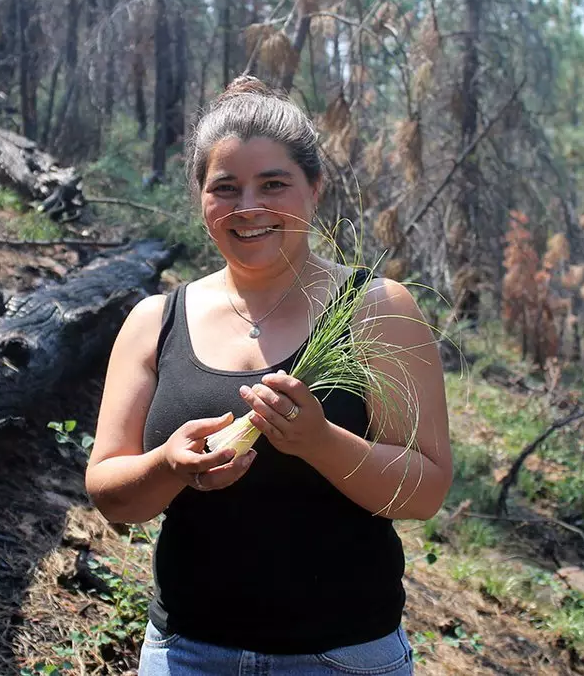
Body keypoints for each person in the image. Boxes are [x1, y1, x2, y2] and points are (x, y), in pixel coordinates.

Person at [85, 76, 452, 675]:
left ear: (315, 189)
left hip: (343, 657)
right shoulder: (156, 320)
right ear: (201, 200)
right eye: (225, 188)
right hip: (187, 653)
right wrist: (169, 466)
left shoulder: (375, 309)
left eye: (273, 184)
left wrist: (320, 442)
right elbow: (110, 492)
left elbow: (427, 489)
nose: (248, 207)